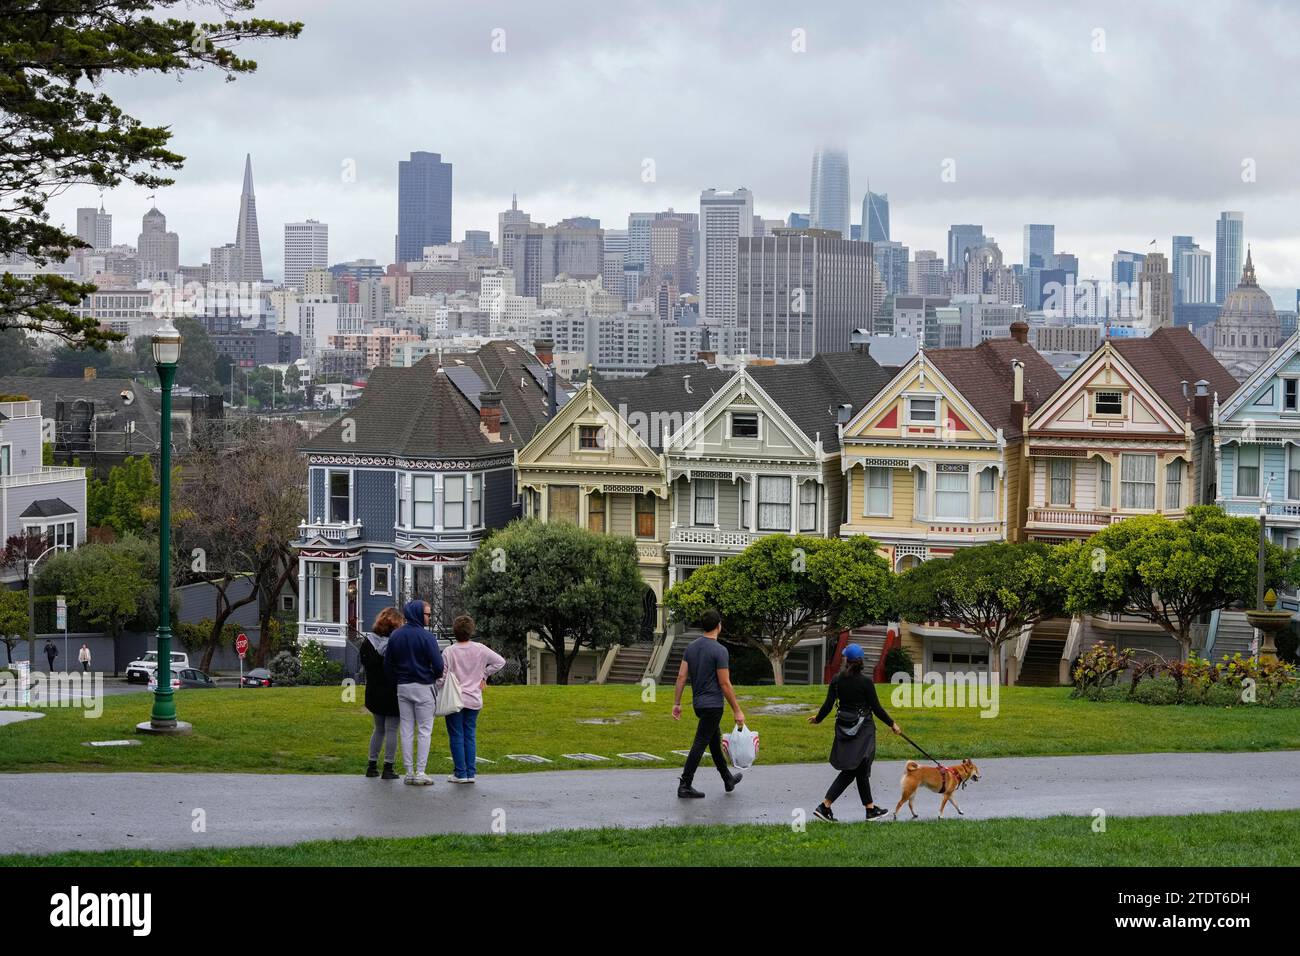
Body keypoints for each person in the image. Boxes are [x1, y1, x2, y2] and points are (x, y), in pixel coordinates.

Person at [807, 643, 901, 823]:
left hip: (843, 728)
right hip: (863, 730)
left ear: (846, 660)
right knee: (854, 769)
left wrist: (818, 719)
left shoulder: (837, 679)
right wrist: (892, 723)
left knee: (861, 768)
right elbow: (876, 708)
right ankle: (825, 806)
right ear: (861, 662)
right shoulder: (865, 682)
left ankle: (870, 809)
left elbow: (828, 705)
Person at [672, 608, 745, 798]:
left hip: (698, 704)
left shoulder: (691, 648)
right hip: (713, 705)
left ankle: (727, 779)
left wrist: (677, 703)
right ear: (719, 625)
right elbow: (724, 683)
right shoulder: (720, 651)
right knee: (700, 743)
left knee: (713, 742)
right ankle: (685, 784)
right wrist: (737, 710)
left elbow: (681, 677)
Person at [383, 599, 444, 786]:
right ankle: (421, 771)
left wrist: (398, 679)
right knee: (425, 730)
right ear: (419, 614)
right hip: (424, 686)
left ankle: (408, 772)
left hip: (403, 686)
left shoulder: (396, 636)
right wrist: (432, 676)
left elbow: (388, 664)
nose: (429, 617)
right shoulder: (427, 638)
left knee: (406, 729)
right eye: (427, 614)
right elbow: (439, 665)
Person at [439, 614, 505, 784]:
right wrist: (484, 674)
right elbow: (500, 662)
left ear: (454, 632)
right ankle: (470, 772)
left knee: (456, 735)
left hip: (455, 699)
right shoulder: (480, 649)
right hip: (474, 698)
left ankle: (460, 772)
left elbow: (442, 676)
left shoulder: (449, 651)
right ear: (471, 631)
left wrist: (435, 689)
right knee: (469, 735)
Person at [360, 607, 403, 780]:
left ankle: (371, 766)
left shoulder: (367, 642)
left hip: (374, 691)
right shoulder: (396, 643)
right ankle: (388, 767)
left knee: (378, 729)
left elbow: (366, 665)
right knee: (392, 729)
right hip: (392, 691)